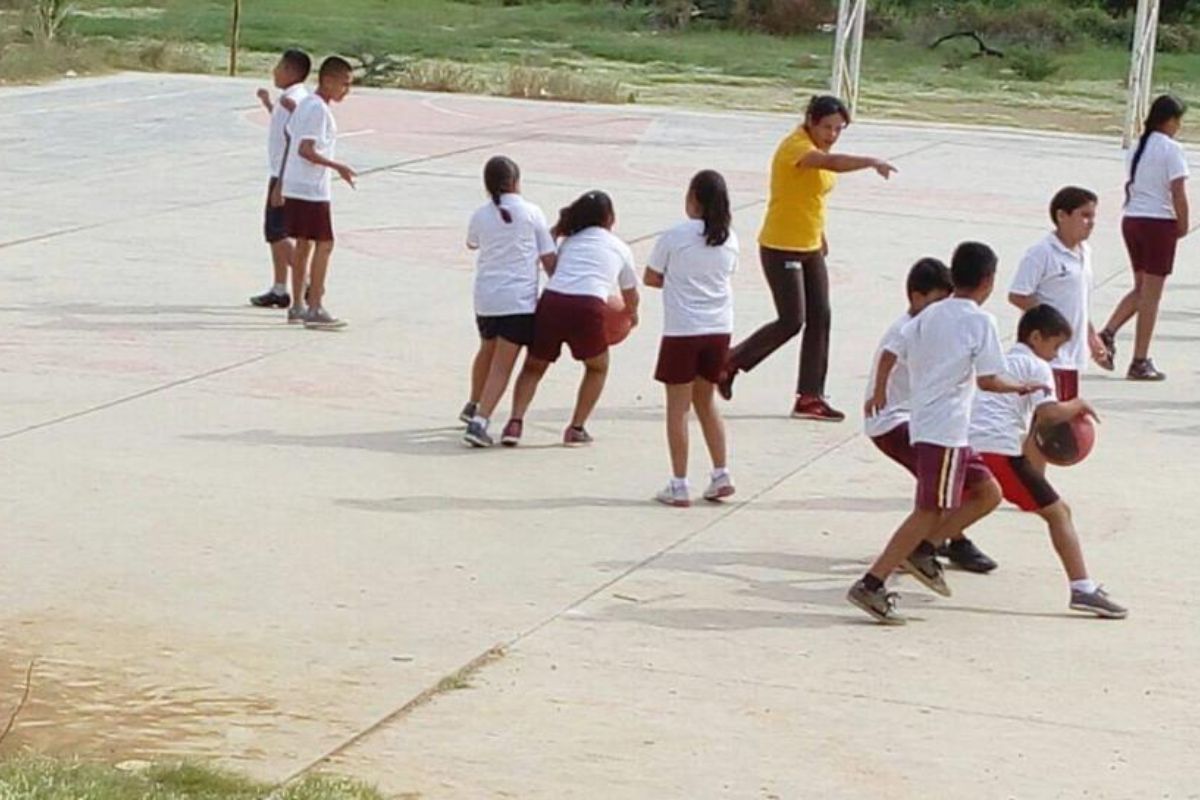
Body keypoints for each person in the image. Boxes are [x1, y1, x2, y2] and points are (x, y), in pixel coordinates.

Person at [851, 242, 1046, 625]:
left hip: (937, 427)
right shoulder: (980, 321)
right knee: (930, 509)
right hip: (942, 428)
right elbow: (990, 379)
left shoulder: (929, 314)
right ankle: (873, 583)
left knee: (988, 492)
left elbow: (894, 349)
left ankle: (926, 548)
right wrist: (1019, 387)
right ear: (988, 281)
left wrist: (878, 388)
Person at [719, 94, 897, 422]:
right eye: (827, 127)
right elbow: (829, 164)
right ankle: (730, 362)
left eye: (839, 129)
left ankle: (810, 396)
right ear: (811, 122)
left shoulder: (819, 148)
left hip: (809, 244)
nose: (832, 135)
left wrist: (820, 236)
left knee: (822, 316)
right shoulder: (796, 147)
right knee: (792, 319)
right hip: (780, 245)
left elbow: (808, 197)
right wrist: (871, 161)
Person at [967, 304, 1127, 618]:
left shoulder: (1001, 360)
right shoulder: (1037, 367)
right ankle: (1082, 588)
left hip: (969, 444)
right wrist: (1077, 404)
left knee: (964, 505)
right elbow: (1050, 413)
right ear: (1036, 337)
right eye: (1054, 346)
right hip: (997, 449)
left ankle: (922, 549)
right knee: (1058, 512)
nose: (1055, 355)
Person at [864, 257, 999, 575]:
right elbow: (888, 357)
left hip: (915, 419)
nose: (944, 306)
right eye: (937, 300)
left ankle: (940, 541)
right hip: (896, 422)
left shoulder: (931, 323)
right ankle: (921, 550)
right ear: (915, 297)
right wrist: (880, 392)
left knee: (946, 490)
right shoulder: (908, 327)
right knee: (936, 498)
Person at [502, 191, 639, 448]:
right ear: (610, 218)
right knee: (597, 367)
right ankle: (576, 427)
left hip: (552, 301)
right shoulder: (620, 248)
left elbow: (554, 269)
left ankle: (515, 423)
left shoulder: (570, 242)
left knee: (533, 366)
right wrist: (632, 315)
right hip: (588, 307)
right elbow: (630, 293)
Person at [644, 170, 739, 507]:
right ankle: (720, 472)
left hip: (684, 328)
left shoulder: (676, 235)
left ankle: (679, 481)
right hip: (719, 328)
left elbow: (651, 277)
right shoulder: (730, 239)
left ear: (694, 198)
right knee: (706, 400)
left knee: (678, 408)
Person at [462, 157, 557, 447]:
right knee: (503, 365)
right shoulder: (532, 213)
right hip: (517, 299)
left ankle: (473, 403)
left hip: (486, 296)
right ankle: (481, 421)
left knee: (486, 350)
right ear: (516, 181)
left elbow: (472, 243)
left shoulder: (481, 214)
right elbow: (548, 256)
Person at [1099, 94, 1190, 381]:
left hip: (1133, 219)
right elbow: (1178, 192)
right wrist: (1183, 224)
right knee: (1151, 295)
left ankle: (1109, 332)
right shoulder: (1171, 149)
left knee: (1141, 288)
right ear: (1171, 120)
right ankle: (1139, 359)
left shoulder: (1139, 146)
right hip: (1157, 223)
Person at [1009, 186, 1108, 401]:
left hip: (1074, 354)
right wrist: (1049, 323)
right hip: (1050, 355)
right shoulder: (1041, 253)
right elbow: (1018, 294)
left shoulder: (1085, 252)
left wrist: (1092, 336)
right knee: (1053, 419)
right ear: (1062, 216)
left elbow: (1078, 300)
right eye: (1084, 215)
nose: (1091, 222)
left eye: (1093, 216)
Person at [280, 56, 357, 330]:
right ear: (328, 80)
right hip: (311, 189)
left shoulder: (306, 105)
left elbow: (290, 135)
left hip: (296, 184)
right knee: (324, 244)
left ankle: (298, 304)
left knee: (304, 244)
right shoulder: (318, 110)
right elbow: (305, 149)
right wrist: (337, 166)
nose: (346, 90)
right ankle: (314, 306)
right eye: (344, 84)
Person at [250, 49, 311, 310]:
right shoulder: (293, 98)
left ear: (290, 72)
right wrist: (267, 104)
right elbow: (283, 126)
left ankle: (306, 282)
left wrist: (281, 184)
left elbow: (292, 140)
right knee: (276, 233)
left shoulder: (292, 101)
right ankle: (279, 288)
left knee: (276, 232)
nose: (275, 71)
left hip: (283, 175)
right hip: (281, 173)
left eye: (279, 67)